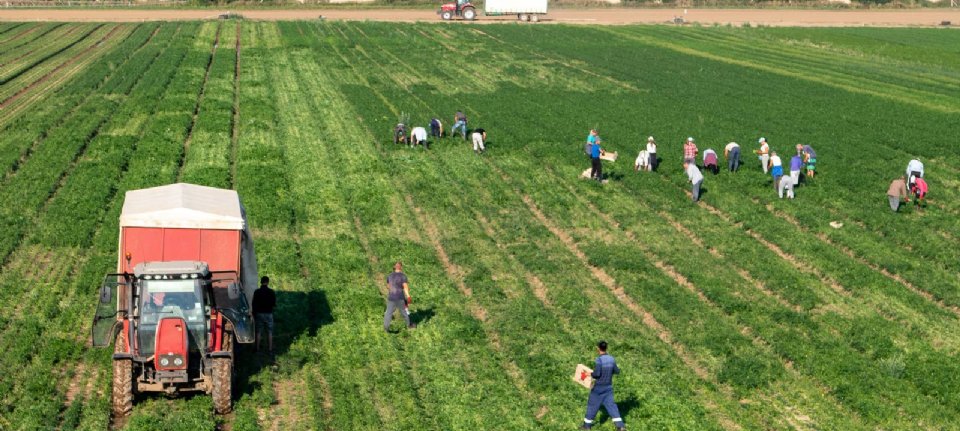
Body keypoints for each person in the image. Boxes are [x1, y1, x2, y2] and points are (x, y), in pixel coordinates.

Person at [581, 341, 625, 431]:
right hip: (608, 387)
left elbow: (597, 374)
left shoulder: (599, 360)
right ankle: (620, 426)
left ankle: (586, 426)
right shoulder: (612, 359)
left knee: (592, 405)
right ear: (606, 348)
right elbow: (617, 371)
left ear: (598, 348)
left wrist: (590, 374)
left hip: (598, 388)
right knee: (611, 406)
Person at [384, 262, 415, 332]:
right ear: (401, 267)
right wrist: (408, 296)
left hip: (391, 297)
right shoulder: (403, 276)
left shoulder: (389, 276)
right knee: (404, 312)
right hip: (400, 297)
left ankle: (386, 328)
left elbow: (388, 286)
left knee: (388, 313)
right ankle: (409, 326)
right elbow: (405, 287)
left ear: (394, 267)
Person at [253, 276, 276, 354]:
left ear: (261, 282)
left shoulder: (257, 292)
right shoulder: (271, 292)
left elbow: (254, 304)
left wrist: (254, 313)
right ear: (268, 282)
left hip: (259, 314)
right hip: (269, 314)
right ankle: (270, 350)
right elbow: (274, 304)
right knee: (269, 332)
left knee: (258, 332)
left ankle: (257, 349)